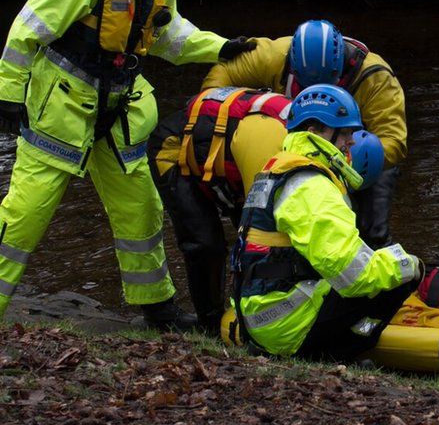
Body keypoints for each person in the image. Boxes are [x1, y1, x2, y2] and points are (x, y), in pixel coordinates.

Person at [0, 0, 256, 328]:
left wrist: (221, 48)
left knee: (140, 210)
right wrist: (7, 95)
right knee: (24, 216)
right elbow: (27, 31)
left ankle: (157, 309)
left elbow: (171, 38)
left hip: (118, 110)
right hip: (59, 111)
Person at [230, 84, 421, 360]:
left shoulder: (278, 168)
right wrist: (408, 264)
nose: (351, 141)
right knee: (398, 277)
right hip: (286, 327)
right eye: (343, 132)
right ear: (315, 132)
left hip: (260, 314)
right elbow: (352, 276)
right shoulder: (310, 185)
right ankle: (341, 351)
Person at [200, 20, 406, 249]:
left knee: (371, 232)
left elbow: (393, 141)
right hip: (291, 149)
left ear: (340, 67)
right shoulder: (274, 55)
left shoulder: (375, 76)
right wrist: (221, 118)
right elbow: (222, 75)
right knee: (269, 226)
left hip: (357, 155)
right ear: (293, 66)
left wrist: (344, 164)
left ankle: (382, 262)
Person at [148, 87, 291, 332]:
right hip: (173, 150)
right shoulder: (270, 143)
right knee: (206, 244)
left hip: (225, 156)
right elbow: (258, 234)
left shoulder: (332, 148)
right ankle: (212, 323)